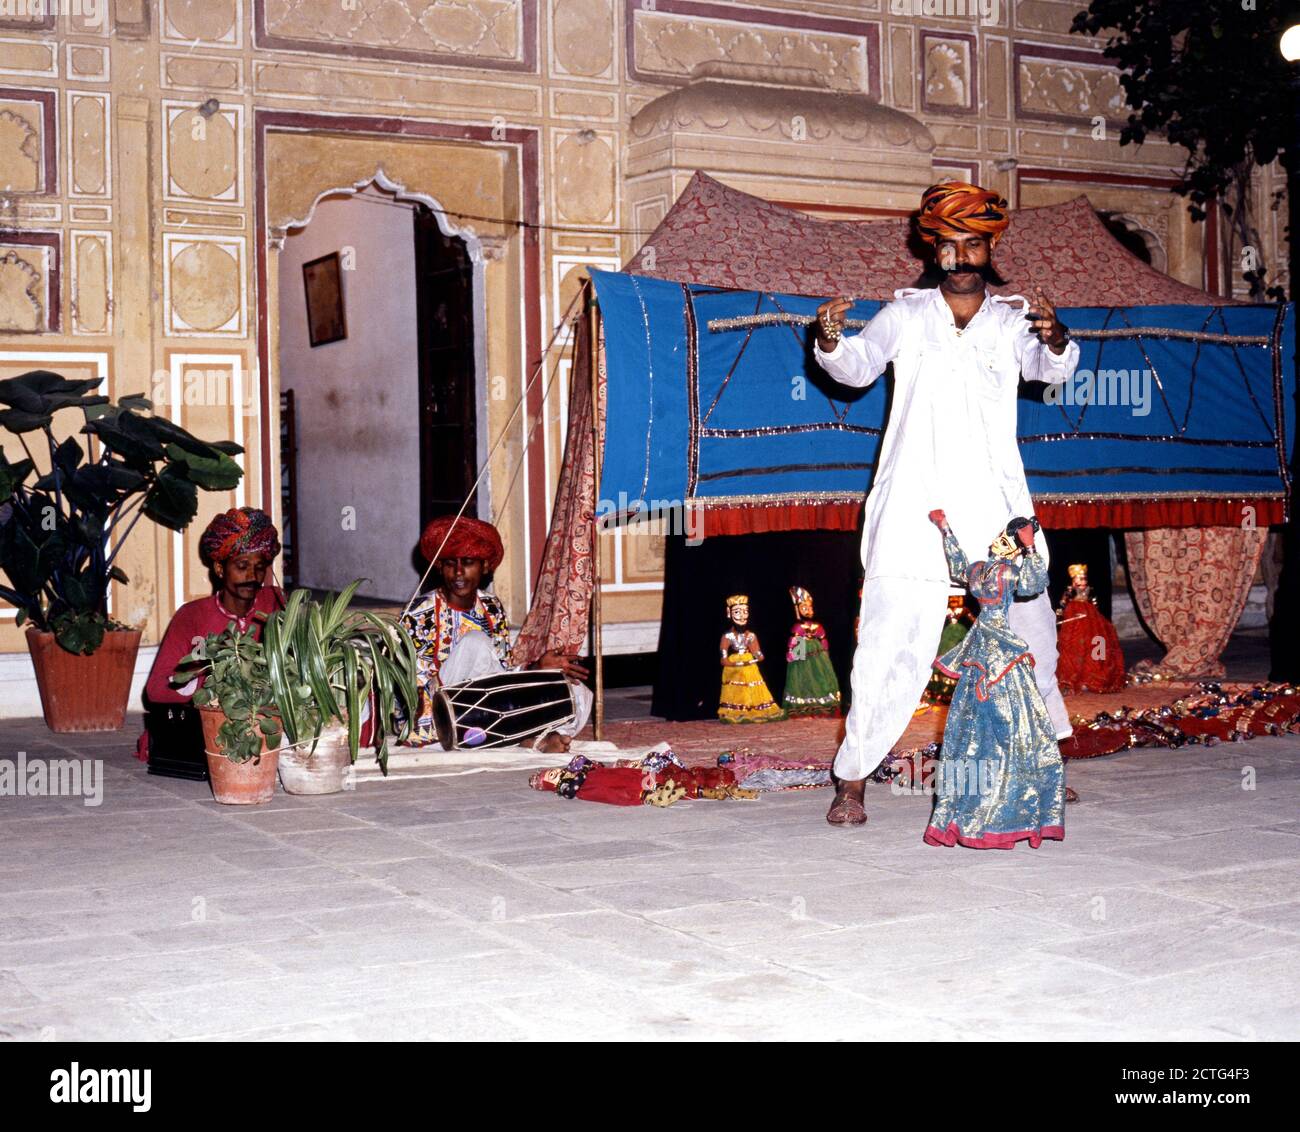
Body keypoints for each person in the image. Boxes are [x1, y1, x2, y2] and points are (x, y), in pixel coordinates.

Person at [815, 180, 1079, 826]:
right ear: (932, 249)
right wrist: (829, 342)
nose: (961, 255)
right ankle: (851, 780)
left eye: (973, 243)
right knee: (889, 640)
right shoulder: (905, 315)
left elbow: (1051, 371)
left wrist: (1055, 339)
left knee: (1031, 635)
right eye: (949, 243)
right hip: (916, 501)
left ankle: (1046, 761)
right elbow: (858, 366)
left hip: (996, 505)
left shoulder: (1013, 320)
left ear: (990, 248)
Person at [923, 509, 1065, 849]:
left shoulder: (1003, 572)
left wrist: (1028, 547)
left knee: (1001, 728)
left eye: (1009, 538)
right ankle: (986, 809)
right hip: (991, 646)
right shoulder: (988, 570)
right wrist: (946, 529)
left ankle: (1000, 808)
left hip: (995, 646)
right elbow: (962, 568)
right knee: (982, 729)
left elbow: (1034, 583)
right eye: (1007, 536)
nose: (1000, 541)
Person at [401, 515, 591, 752]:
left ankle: (534, 735)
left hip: (490, 704)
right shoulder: (420, 613)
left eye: (468, 562)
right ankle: (524, 735)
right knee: (475, 643)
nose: (458, 573)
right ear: (439, 566)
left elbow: (500, 673)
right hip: (437, 711)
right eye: (450, 563)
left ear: (485, 566)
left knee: (579, 692)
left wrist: (536, 669)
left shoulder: (491, 607)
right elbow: (408, 687)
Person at [136, 507, 284, 764]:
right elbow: (157, 690)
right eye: (242, 566)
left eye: (259, 567)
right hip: (213, 724)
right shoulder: (192, 616)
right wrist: (213, 684)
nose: (252, 577)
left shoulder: (276, 604)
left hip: (265, 720)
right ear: (219, 568)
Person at [718, 594, 785, 723]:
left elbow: (759, 654)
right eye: (737, 612)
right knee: (738, 684)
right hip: (734, 667)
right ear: (729, 613)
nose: (742, 616)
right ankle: (739, 709)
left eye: (745, 612)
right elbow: (723, 660)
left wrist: (757, 657)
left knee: (753, 683)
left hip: (749, 666)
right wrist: (738, 664)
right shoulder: (727, 636)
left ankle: (755, 707)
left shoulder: (751, 636)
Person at [782, 586, 841, 717]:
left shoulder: (817, 626)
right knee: (802, 675)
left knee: (820, 677)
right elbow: (795, 641)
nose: (808, 611)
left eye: (810, 608)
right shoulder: (799, 627)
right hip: (803, 650)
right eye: (804, 608)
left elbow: (823, 639)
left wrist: (825, 652)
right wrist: (792, 653)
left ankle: (822, 702)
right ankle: (804, 702)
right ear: (798, 610)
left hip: (818, 657)